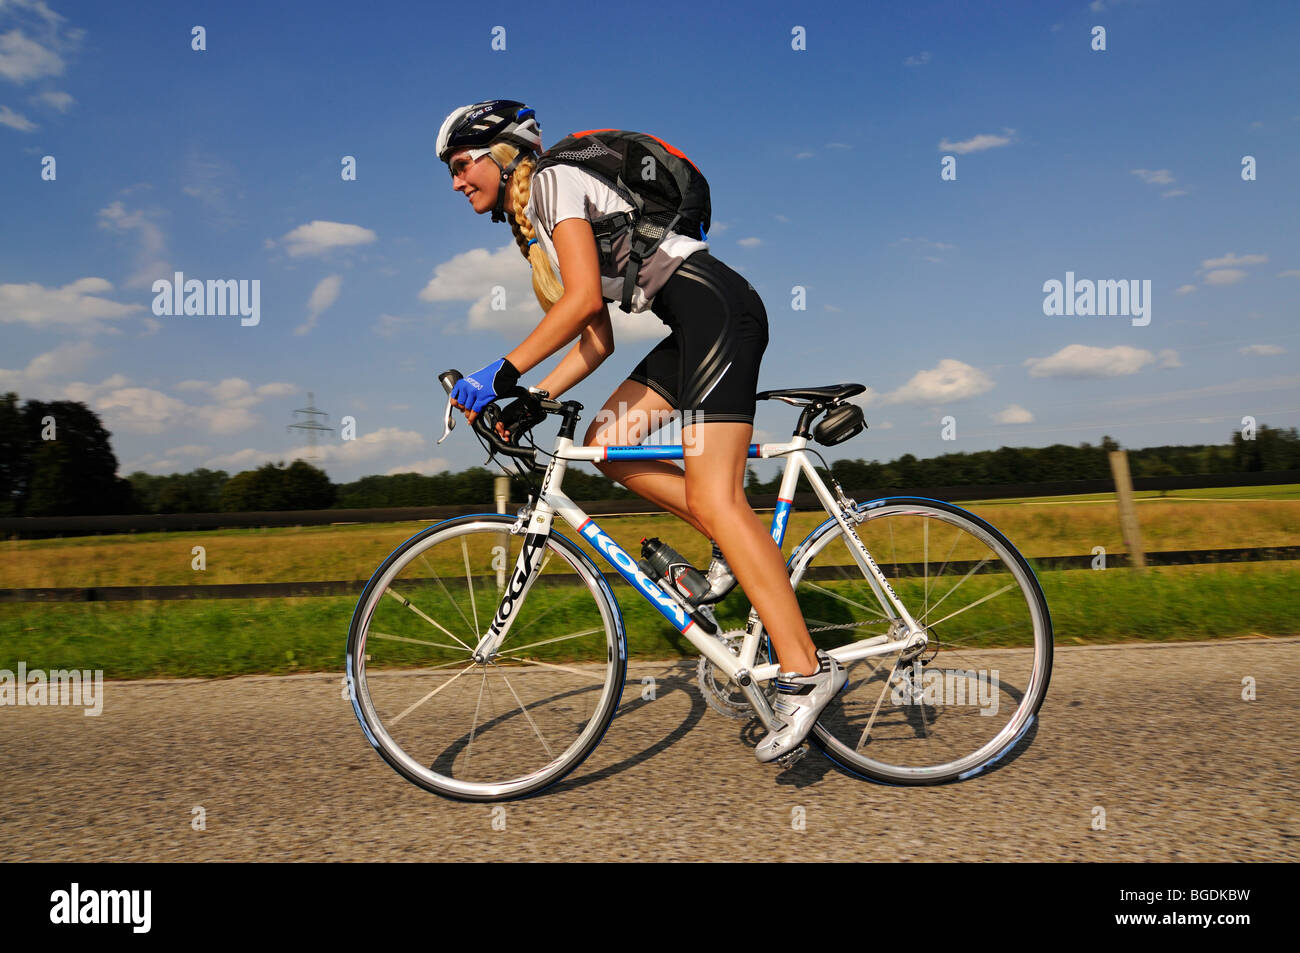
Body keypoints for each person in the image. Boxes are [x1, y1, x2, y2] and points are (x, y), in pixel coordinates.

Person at [436, 100, 845, 762]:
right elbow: (593, 341)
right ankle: (730, 547)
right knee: (609, 445)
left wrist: (499, 373)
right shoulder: (538, 220)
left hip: (715, 310)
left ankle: (806, 668)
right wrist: (532, 397)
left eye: (462, 165)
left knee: (718, 496)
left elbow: (581, 305)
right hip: (692, 324)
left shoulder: (550, 178)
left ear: (503, 152)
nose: (457, 183)